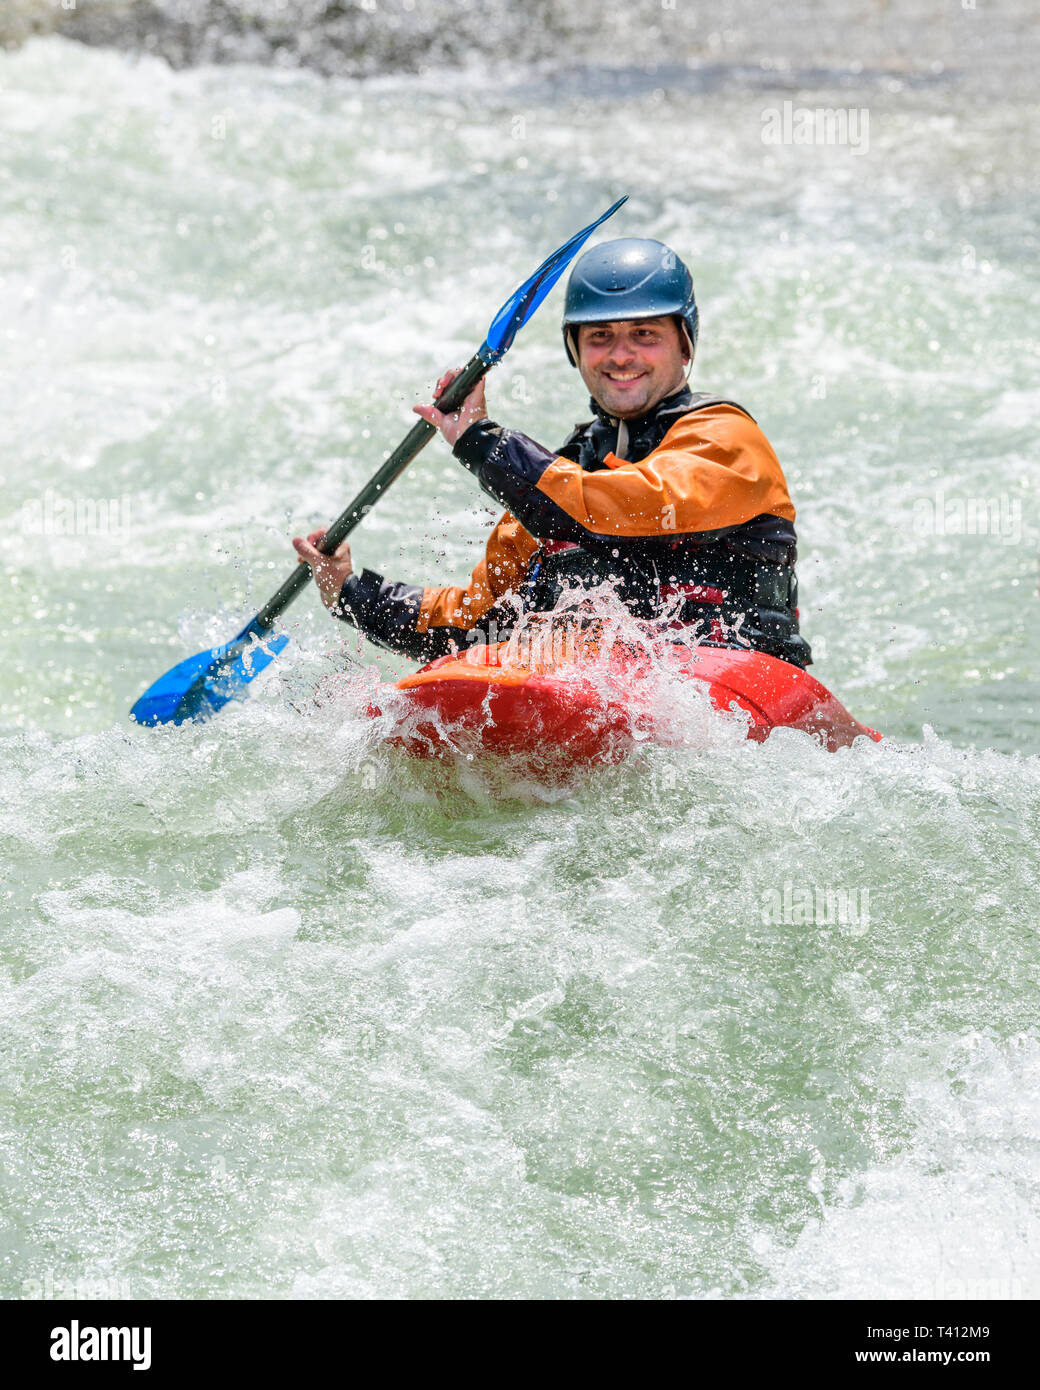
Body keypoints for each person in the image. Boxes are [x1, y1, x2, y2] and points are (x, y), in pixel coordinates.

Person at [293, 238, 811, 669]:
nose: (621, 354)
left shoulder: (725, 439)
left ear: (684, 345)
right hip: (606, 687)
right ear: (575, 351)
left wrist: (483, 442)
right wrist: (347, 590)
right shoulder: (561, 474)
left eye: (645, 335)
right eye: (600, 337)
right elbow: (477, 621)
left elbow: (619, 507)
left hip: (733, 676)